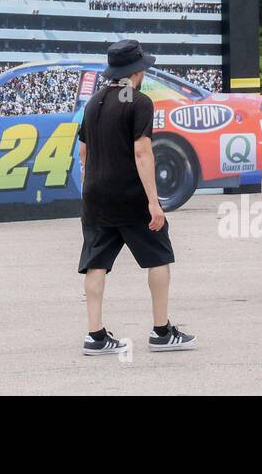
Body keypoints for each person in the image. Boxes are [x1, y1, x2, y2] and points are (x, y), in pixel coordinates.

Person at [76, 39, 196, 356]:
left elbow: (83, 151)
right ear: (136, 71)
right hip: (129, 195)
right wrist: (153, 202)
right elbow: (142, 152)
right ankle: (161, 331)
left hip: (95, 196)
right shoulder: (139, 102)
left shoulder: (94, 102)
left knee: (96, 262)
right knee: (158, 257)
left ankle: (95, 336)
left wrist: (91, 186)